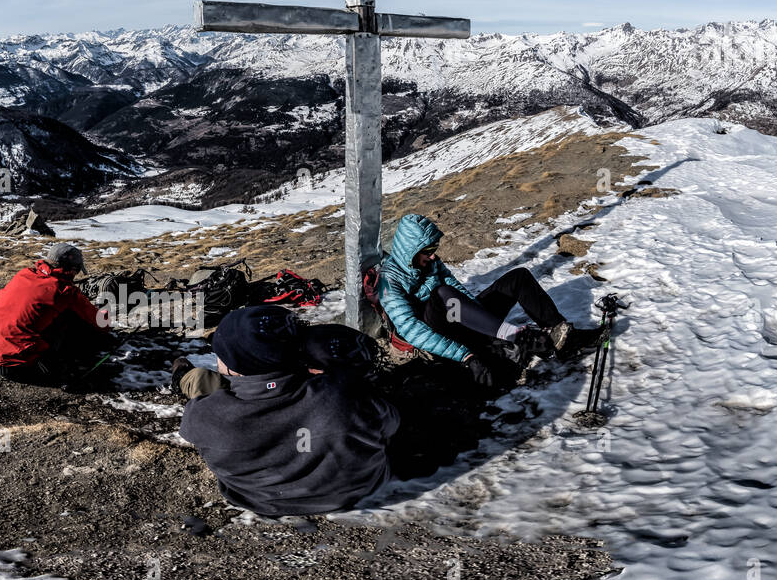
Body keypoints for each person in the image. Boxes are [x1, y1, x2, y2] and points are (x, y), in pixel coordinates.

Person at [179, 304, 402, 518]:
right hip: (358, 491)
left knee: (202, 380)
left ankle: (182, 375)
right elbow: (390, 423)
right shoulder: (346, 395)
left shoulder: (203, 416)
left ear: (232, 366)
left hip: (259, 501)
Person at [376, 212, 576, 395]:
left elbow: (459, 292)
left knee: (518, 278)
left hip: (457, 317)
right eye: (428, 250)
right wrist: (465, 355)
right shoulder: (389, 280)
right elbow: (412, 330)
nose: (434, 255)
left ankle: (558, 331)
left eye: (434, 249)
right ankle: (516, 336)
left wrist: (482, 322)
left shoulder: (431, 263)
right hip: (437, 336)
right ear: (410, 251)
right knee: (442, 293)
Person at [0, 242, 120, 389]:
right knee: (72, 321)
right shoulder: (65, 291)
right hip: (12, 366)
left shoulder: (24, 274)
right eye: (77, 270)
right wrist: (103, 309)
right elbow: (102, 324)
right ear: (72, 269)